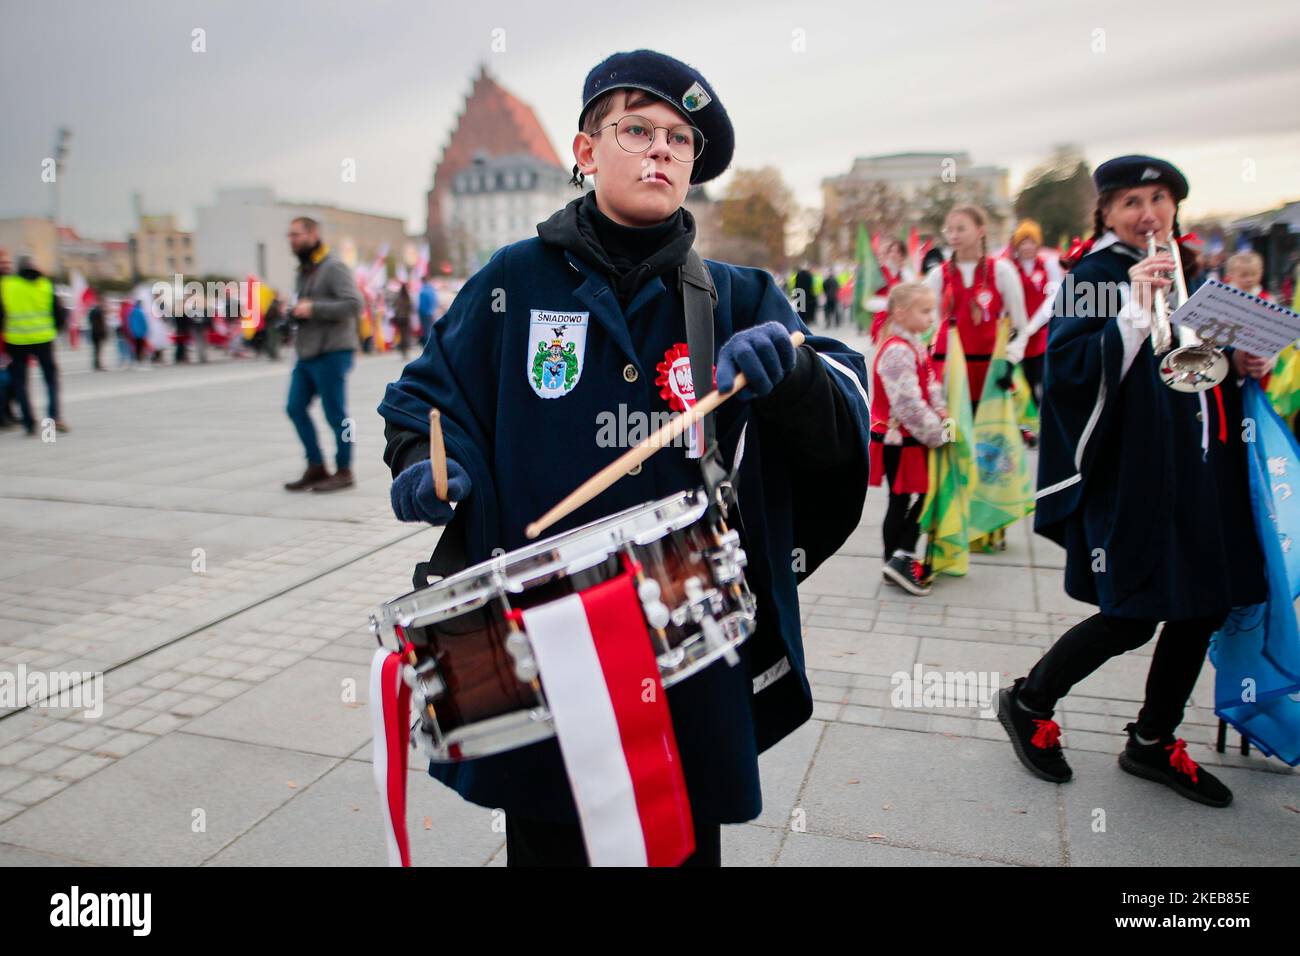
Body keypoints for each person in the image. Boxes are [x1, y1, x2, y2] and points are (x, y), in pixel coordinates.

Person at [376, 49, 871, 867]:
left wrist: (796, 378)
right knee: (548, 844)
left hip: (686, 649)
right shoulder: (513, 280)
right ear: (585, 150)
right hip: (545, 642)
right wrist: (430, 464)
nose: (660, 151)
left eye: (680, 140)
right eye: (636, 130)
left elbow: (842, 426)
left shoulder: (742, 296)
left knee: (679, 844)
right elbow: (428, 398)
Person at [999, 155, 1272, 807]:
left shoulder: (1193, 273)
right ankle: (1030, 701)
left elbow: (1199, 370)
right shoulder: (1092, 277)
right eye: (1130, 202)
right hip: (1133, 473)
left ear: (1174, 206)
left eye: (1158, 199)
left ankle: (1152, 739)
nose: (1147, 214)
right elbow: (1066, 372)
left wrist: (1243, 363)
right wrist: (1132, 310)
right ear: (1106, 214)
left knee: (1203, 603)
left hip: (1200, 469)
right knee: (1132, 612)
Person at [869, 281, 947, 595]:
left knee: (909, 499)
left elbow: (929, 383)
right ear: (901, 313)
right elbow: (908, 404)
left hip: (911, 437)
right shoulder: (897, 350)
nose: (931, 317)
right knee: (914, 498)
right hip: (901, 440)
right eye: (925, 311)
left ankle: (896, 560)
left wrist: (942, 412)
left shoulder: (912, 343)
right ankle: (899, 557)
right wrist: (939, 434)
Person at [283, 216, 364, 493]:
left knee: (337, 414)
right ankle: (316, 465)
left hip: (333, 351)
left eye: (296, 234)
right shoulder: (304, 271)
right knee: (294, 407)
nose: (292, 240)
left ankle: (345, 469)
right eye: (290, 235)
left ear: (313, 234)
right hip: (307, 352)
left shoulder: (334, 267)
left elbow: (354, 304)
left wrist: (314, 308)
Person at [924, 206, 1028, 411]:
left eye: (961, 229)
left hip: (991, 373)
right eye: (949, 230)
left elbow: (1020, 326)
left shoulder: (1002, 271)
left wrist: (1010, 360)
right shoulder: (937, 275)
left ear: (981, 230)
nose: (954, 235)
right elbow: (927, 327)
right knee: (956, 430)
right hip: (951, 373)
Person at [0, 255, 68, 435]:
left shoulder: (7, 285)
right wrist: (56, 330)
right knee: (51, 380)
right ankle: (54, 418)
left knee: (21, 383)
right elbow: (58, 312)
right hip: (44, 339)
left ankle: (29, 423)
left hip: (16, 340)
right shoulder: (46, 285)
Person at [393, 284, 413, 360]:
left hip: (399, 319)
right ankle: (406, 352)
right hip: (406, 319)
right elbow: (411, 308)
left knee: (401, 335)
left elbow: (395, 308)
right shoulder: (407, 298)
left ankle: (403, 351)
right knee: (406, 335)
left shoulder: (398, 298)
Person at [88, 294, 107, 371]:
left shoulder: (93, 310)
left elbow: (90, 321)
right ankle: (98, 365)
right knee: (98, 349)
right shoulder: (98, 311)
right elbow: (102, 323)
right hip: (98, 333)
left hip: (94, 332)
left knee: (96, 349)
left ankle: (96, 364)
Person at [417, 274, 437, 344]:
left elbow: (422, 304)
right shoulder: (432, 289)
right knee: (430, 328)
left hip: (424, 313)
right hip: (431, 312)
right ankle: (431, 343)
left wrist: (420, 312)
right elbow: (435, 301)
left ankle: (427, 343)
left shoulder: (422, 290)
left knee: (426, 329)